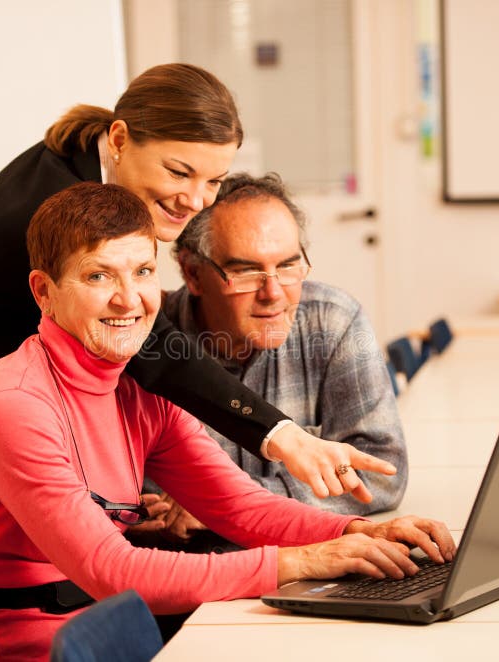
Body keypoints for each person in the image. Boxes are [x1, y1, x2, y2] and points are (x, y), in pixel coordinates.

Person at [0, 63, 394, 659]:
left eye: (215, 180)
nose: (197, 200)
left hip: (37, 489)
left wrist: (353, 532)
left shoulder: (97, 202)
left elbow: (234, 502)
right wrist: (280, 437)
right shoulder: (51, 212)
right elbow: (151, 351)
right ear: (122, 140)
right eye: (180, 172)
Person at [0, 182, 455, 660]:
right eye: (98, 276)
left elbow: (240, 506)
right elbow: (115, 571)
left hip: (119, 630)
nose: (128, 299)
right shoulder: (12, 406)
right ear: (44, 291)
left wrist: (358, 532)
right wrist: (305, 562)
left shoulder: (140, 384)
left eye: (142, 272)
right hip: (28, 648)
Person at [149, 172, 407, 548]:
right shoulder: (147, 343)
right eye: (246, 271)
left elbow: (382, 473)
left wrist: (227, 504)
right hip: (191, 570)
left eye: (288, 266)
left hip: (308, 555)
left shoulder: (333, 320)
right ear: (192, 273)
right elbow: (145, 500)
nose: (273, 293)